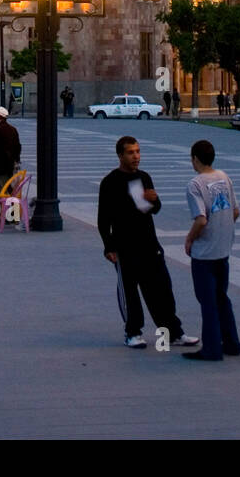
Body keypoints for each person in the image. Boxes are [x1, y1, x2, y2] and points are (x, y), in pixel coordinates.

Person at [97, 135, 197, 349]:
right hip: (125, 246)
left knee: (162, 290)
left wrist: (155, 200)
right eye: (131, 152)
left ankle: (173, 332)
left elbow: (154, 209)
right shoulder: (110, 182)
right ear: (120, 155)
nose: (136, 157)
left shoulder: (144, 177)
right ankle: (133, 332)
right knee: (131, 293)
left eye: (138, 151)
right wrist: (109, 247)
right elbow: (103, 219)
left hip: (149, 245)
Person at [182, 139, 240, 361]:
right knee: (221, 297)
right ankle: (232, 342)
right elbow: (235, 211)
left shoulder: (195, 185)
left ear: (195, 158)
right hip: (223, 249)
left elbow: (200, 219)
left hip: (204, 252)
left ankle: (212, 348)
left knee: (207, 301)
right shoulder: (224, 177)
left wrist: (189, 240)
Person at [0, 106, 21, 201]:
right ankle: (15, 214)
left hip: (1, 167)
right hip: (12, 165)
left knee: (2, 191)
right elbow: (18, 147)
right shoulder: (13, 129)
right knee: (13, 191)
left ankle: (4, 214)